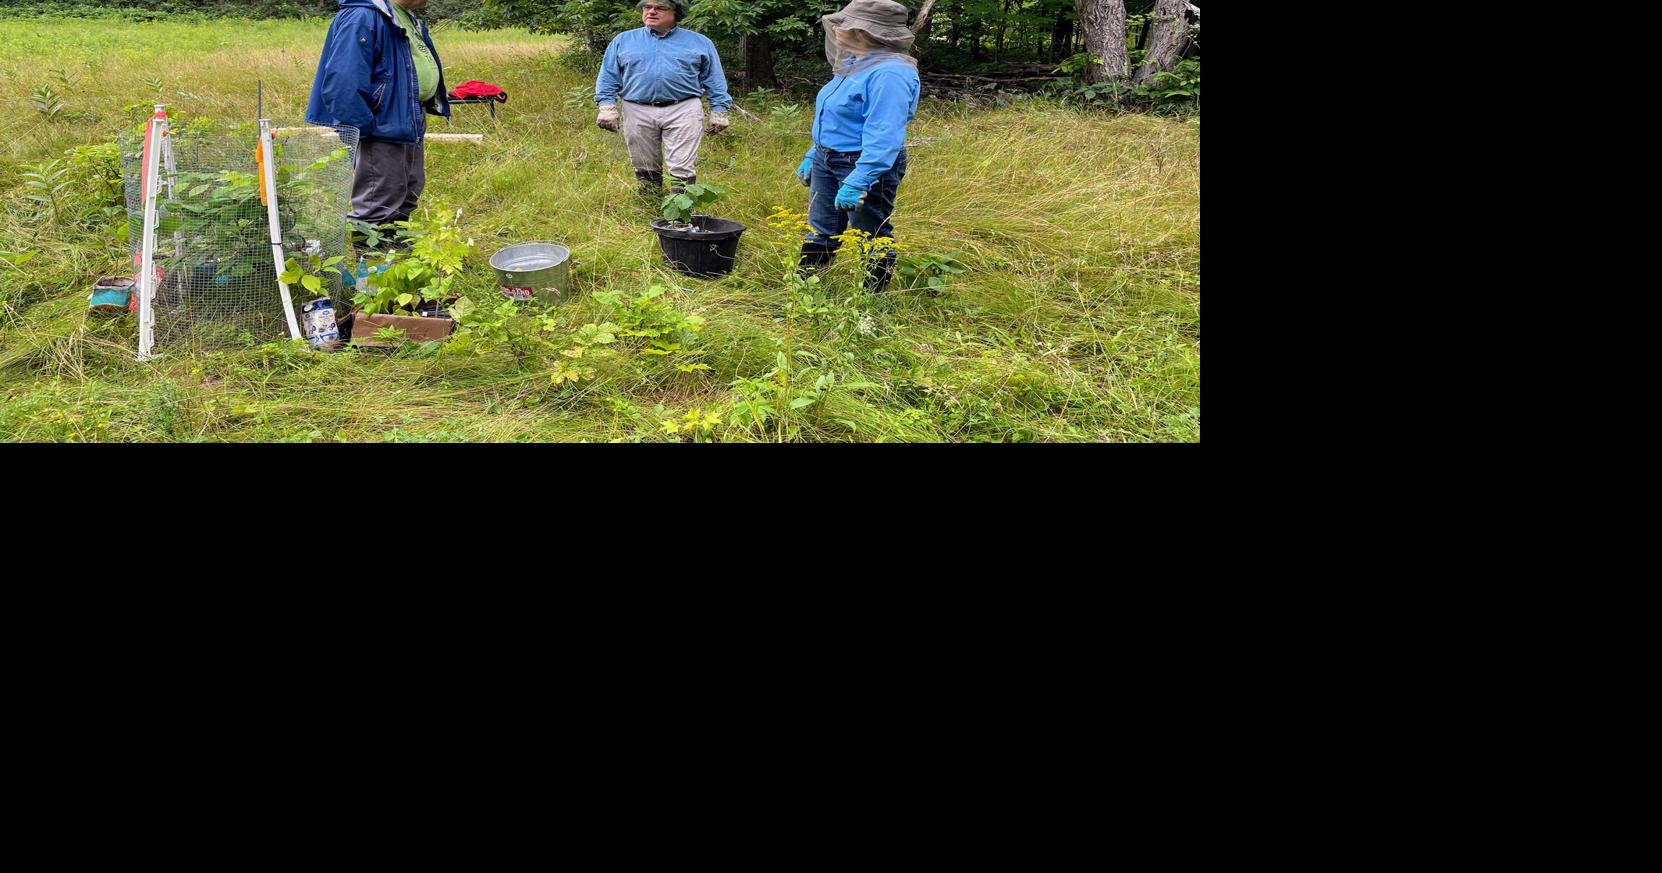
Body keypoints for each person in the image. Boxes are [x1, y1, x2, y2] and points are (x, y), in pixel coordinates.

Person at [796, 0, 920, 294]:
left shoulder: (890, 74)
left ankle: (870, 302)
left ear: (867, 32)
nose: (837, 27)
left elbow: (884, 134)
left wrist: (860, 179)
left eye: (846, 23)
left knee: (872, 234)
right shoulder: (854, 63)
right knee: (821, 230)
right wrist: (814, 153)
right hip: (828, 159)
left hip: (862, 164)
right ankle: (802, 292)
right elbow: (838, 120)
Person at [306, 0, 450, 230]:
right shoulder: (362, 16)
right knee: (378, 200)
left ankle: (397, 252)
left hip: (407, 115)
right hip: (380, 124)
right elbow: (343, 82)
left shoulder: (403, 15)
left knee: (407, 189)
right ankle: (372, 260)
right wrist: (364, 129)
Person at [594, 0, 733, 196]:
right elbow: (608, 76)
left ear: (676, 12)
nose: (651, 12)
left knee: (682, 165)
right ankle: (649, 205)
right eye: (647, 7)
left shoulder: (700, 42)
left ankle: (681, 211)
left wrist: (720, 110)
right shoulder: (623, 41)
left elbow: (714, 78)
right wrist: (606, 106)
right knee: (644, 162)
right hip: (637, 108)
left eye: (660, 8)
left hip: (684, 108)